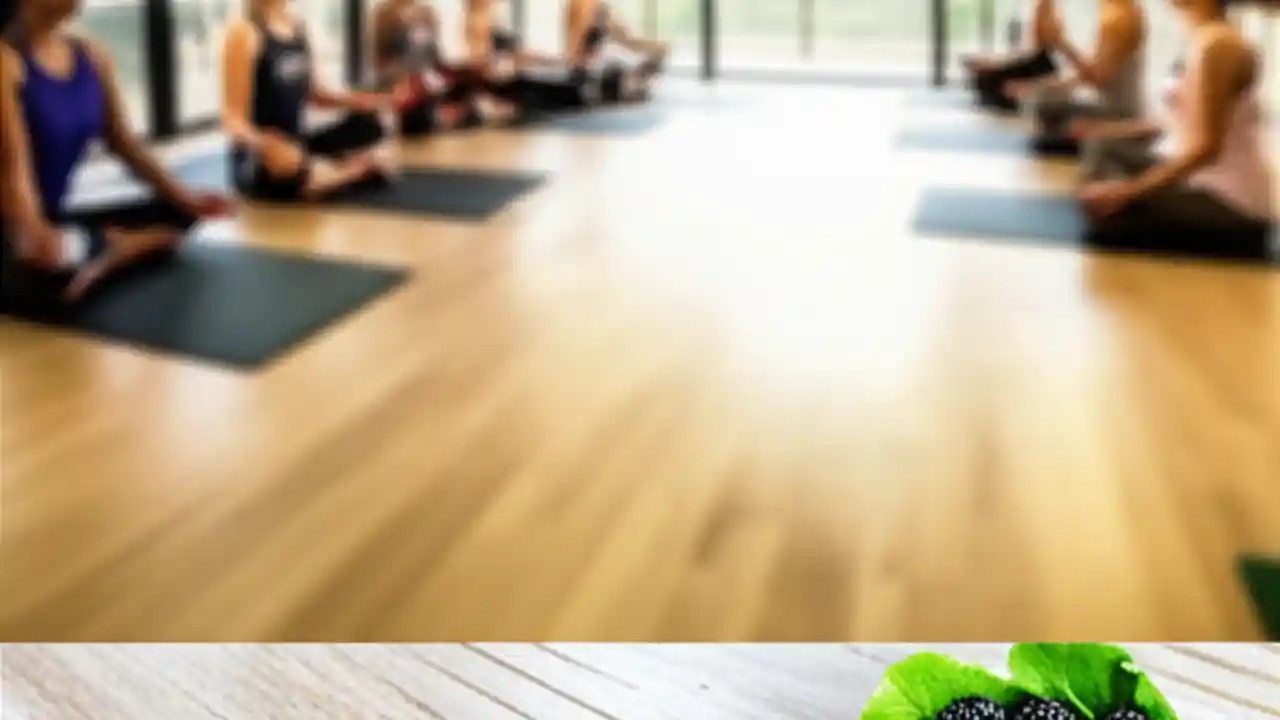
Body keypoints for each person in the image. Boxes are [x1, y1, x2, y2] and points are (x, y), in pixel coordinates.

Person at [1, 0, 232, 311]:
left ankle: (100, 248)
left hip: (56, 218)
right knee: (44, 264)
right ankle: (109, 247)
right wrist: (36, 236)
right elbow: (12, 171)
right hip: (12, 225)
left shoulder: (90, 54)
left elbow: (124, 143)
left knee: (175, 213)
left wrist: (185, 197)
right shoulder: (6, 61)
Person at [1079, 0, 1274, 261]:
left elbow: (1206, 148)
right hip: (1195, 181)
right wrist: (1106, 130)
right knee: (1102, 148)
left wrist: (1127, 192)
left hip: (1232, 204)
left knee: (1111, 213)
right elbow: (1173, 122)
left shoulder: (1218, 46)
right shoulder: (1202, 39)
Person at [222, 0, 396, 201]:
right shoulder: (244, 31)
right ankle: (352, 170)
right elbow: (232, 119)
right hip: (261, 159)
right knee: (291, 164)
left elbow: (315, 94)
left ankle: (330, 171)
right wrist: (263, 143)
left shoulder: (297, 27)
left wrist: (365, 101)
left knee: (369, 124)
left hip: (298, 145)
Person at [1009, 0, 1147, 157]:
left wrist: (1061, 43)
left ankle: (1096, 134)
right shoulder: (1111, 11)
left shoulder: (1119, 17)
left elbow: (1098, 77)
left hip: (1117, 114)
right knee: (1039, 97)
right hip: (1104, 106)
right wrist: (1038, 86)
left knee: (1041, 104)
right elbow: (1089, 71)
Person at [370, 0, 480, 135]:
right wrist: (396, 83)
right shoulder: (386, 12)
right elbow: (381, 55)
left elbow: (435, 52)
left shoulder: (428, 12)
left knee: (470, 76)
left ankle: (449, 116)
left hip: (427, 73)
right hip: (400, 74)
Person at [565, 0, 668, 103]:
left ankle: (634, 85)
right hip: (602, 73)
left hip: (611, 70)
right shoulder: (594, 36)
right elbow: (583, 60)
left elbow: (630, 43)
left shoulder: (612, 35)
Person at [966, 0, 1060, 111]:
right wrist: (993, 61)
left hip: (1039, 63)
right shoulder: (1031, 7)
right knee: (982, 75)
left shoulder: (1043, 7)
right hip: (1032, 59)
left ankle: (1004, 96)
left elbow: (1035, 50)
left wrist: (995, 64)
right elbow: (1023, 50)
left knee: (986, 78)